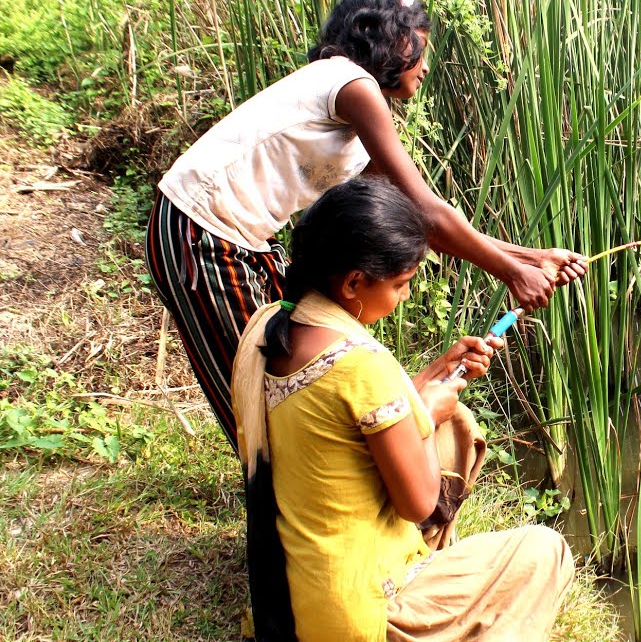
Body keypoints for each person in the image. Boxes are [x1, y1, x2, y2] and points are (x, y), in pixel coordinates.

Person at [145, 0, 585, 451]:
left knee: (296, 371)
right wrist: (513, 272)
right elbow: (427, 211)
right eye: (421, 49)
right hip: (199, 231)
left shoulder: (351, 118)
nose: (426, 66)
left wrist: (532, 257)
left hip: (244, 242)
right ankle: (291, 510)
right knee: (264, 396)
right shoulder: (354, 85)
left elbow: (412, 217)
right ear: (395, 41)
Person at [231, 177, 573, 641]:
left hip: (294, 591)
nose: (405, 297)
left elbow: (343, 416)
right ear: (354, 281)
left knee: (457, 423)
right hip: (357, 613)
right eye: (401, 284)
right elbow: (418, 503)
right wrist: (425, 418)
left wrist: (433, 377)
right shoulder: (363, 365)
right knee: (544, 550)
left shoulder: (269, 324)